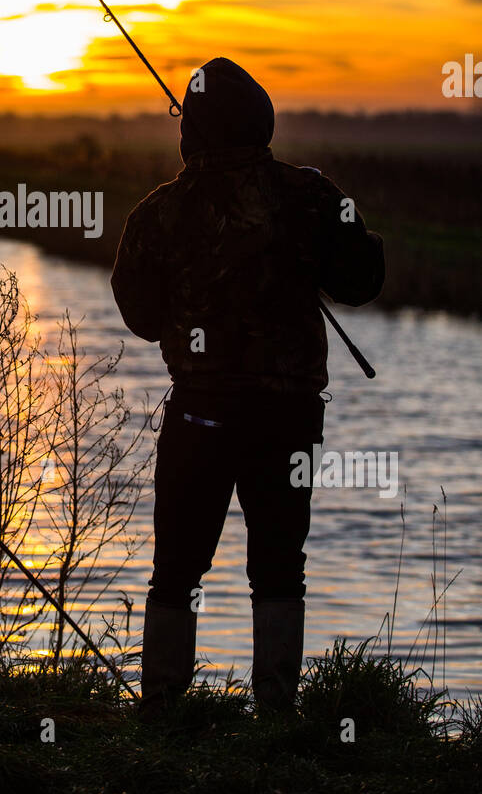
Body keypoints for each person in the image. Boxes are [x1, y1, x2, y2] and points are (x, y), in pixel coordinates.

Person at [110, 58, 385, 720]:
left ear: (191, 133)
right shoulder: (310, 197)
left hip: (198, 416)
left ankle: (163, 708)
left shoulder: (159, 212)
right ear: (261, 119)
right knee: (280, 564)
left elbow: (141, 317)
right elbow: (363, 281)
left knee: (176, 567)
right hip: (286, 417)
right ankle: (277, 713)